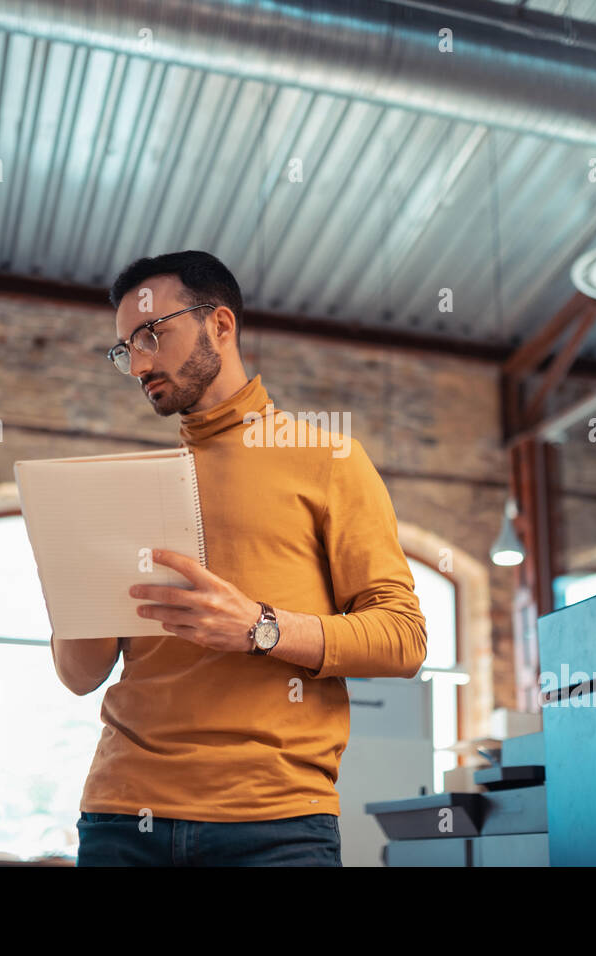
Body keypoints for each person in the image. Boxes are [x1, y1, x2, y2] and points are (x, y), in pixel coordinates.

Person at [54, 249, 427, 866]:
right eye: (125, 350)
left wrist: (261, 627)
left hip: (275, 824)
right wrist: (68, 576)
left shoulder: (327, 458)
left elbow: (404, 640)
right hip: (124, 818)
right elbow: (80, 675)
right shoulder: (130, 486)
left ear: (220, 326)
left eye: (151, 334)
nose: (139, 363)